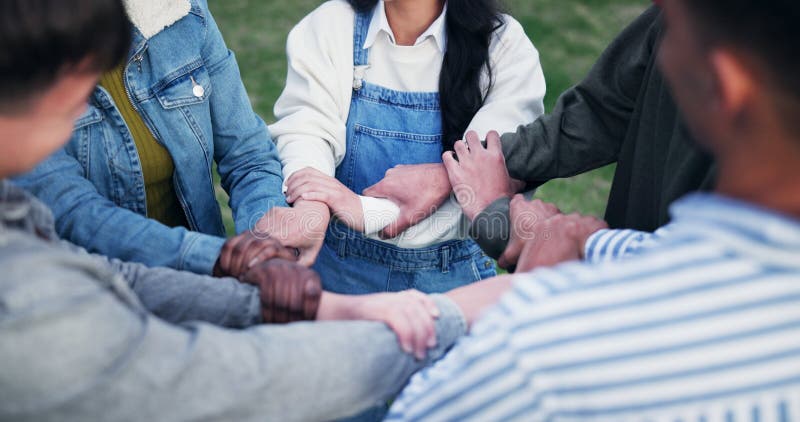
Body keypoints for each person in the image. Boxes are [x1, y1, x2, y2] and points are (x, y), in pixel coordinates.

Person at [0, 2, 495, 419]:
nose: (77, 111)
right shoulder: (36, 297)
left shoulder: (181, 16)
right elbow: (78, 217)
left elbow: (248, 153)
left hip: (208, 282)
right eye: (73, 103)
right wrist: (433, 323)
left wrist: (265, 236)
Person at [386, 0, 800, 419]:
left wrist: (523, 261)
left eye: (673, 34)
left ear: (718, 86)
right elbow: (604, 111)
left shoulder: (538, 368)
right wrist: (470, 178)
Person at [367, 3, 716, 263]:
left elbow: (684, 271)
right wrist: (456, 175)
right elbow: (599, 115)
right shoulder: (686, 18)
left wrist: (504, 223)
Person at [259, 0, 546, 294]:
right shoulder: (331, 24)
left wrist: (365, 210)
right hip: (331, 277)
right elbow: (307, 129)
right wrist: (312, 205)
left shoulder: (503, 45)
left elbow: (483, 187)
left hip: (454, 287)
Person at [12, 0, 287, 277]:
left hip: (211, 274)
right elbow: (74, 212)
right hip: (103, 290)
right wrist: (227, 259)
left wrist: (268, 245)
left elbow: (248, 154)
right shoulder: (22, 39)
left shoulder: (183, 11)